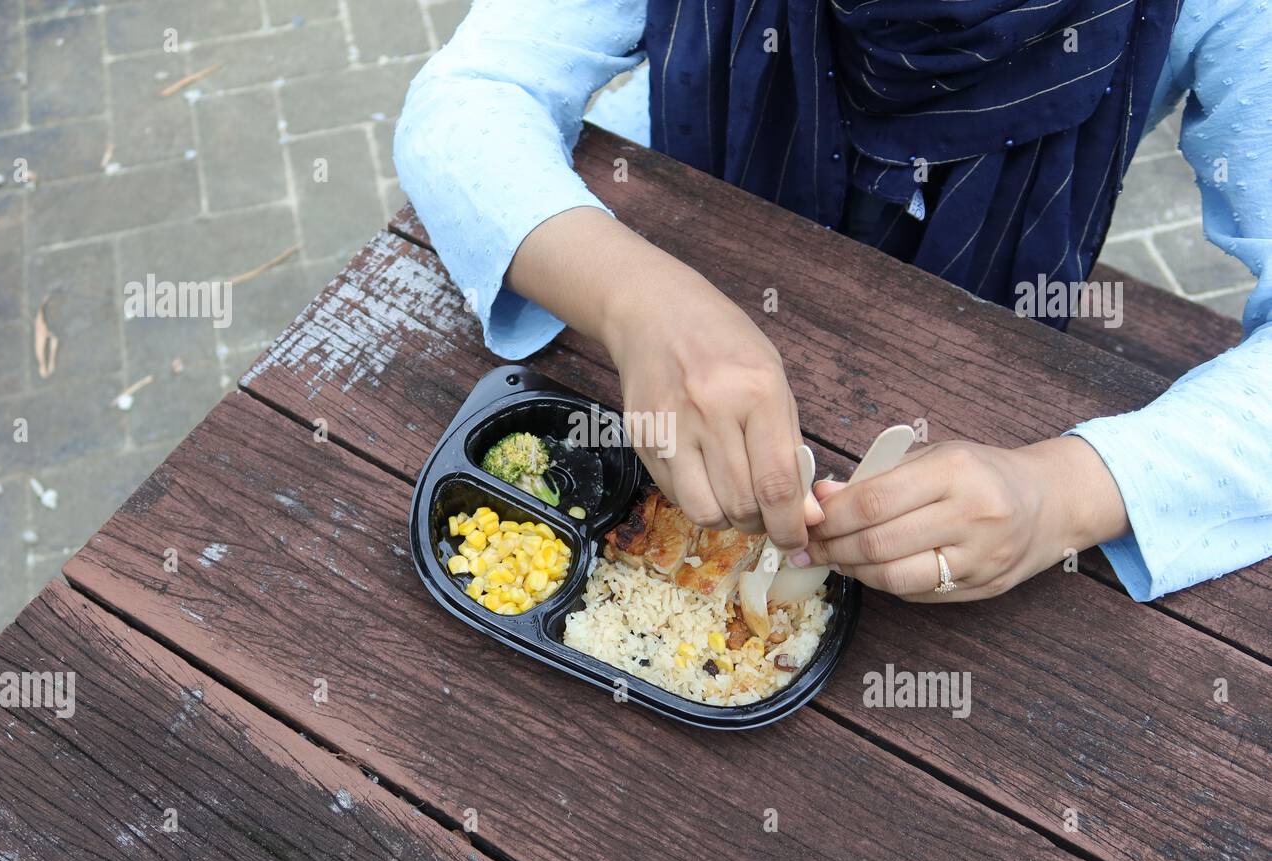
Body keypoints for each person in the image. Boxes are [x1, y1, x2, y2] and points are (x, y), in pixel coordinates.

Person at [395, 0, 1272, 603]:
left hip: (978, 355)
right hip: (677, 214)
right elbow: (470, 96)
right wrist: (635, 298)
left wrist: (1068, 492)